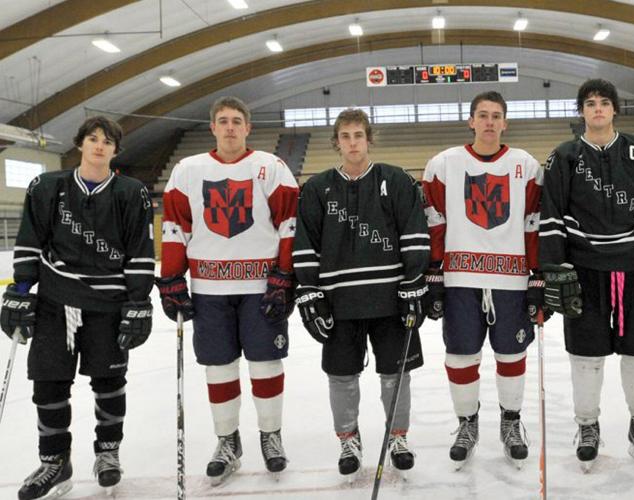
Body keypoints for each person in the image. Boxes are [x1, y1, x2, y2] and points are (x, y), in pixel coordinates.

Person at [1, 116, 155, 499]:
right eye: (92, 139)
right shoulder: (46, 186)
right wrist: (20, 289)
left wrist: (138, 302)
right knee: (49, 383)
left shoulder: (130, 192)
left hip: (109, 304)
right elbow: (30, 239)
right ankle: (55, 461)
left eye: (107, 141)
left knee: (108, 383)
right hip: (56, 301)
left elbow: (139, 251)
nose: (99, 146)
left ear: (116, 150)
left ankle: (107, 454)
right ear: (81, 145)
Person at [539, 78, 634, 471]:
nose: (597, 108)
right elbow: (550, 217)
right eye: (590, 103)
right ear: (581, 111)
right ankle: (587, 426)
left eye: (604, 102)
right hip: (585, 270)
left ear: (615, 108)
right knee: (586, 356)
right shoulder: (563, 156)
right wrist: (555, 268)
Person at [158, 96, 299, 484]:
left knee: (266, 364)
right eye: (223, 121)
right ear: (213, 127)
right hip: (208, 289)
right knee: (219, 367)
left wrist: (284, 274)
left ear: (248, 127)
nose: (231, 127)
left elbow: (290, 224)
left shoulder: (271, 167)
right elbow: (175, 228)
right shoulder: (188, 170)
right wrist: (171, 278)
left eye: (237, 120)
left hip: (260, 287)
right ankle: (228, 441)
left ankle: (271, 436)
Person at [292, 109, 429, 479]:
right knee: (341, 377)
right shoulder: (317, 188)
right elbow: (306, 244)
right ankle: (348, 440)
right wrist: (309, 292)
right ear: (336, 142)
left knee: (395, 375)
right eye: (345, 136)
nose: (352, 142)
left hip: (390, 299)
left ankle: (397, 436)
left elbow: (415, 234)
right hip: (339, 302)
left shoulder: (396, 180)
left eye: (358, 135)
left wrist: (414, 282)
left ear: (369, 139)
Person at [422, 91, 544, 470]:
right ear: (471, 121)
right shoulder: (442, 165)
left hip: (511, 280)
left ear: (505, 122)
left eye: (496, 116)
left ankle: (510, 422)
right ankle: (467, 424)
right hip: (461, 279)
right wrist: (434, 269)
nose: (489, 122)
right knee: (460, 356)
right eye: (482, 115)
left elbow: (533, 225)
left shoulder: (526, 164)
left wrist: (537, 274)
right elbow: (434, 222)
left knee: (511, 355)